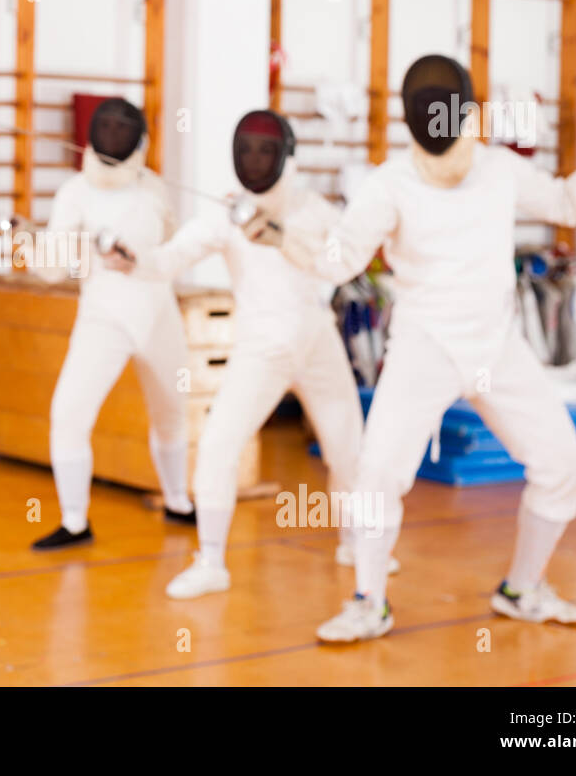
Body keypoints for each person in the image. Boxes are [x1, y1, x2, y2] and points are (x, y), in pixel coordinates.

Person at [267, 55, 576, 642]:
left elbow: (564, 204)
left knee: (564, 465)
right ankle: (368, 601)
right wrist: (283, 237)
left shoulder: (499, 169)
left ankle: (522, 588)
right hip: (423, 348)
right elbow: (339, 261)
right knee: (376, 472)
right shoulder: (389, 185)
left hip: (497, 346)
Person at [106, 109, 389, 598]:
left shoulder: (314, 211)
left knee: (349, 449)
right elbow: (172, 258)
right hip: (261, 348)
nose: (255, 159)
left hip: (318, 340)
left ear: (286, 155)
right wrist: (136, 260)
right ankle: (211, 560)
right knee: (217, 443)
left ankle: (355, 543)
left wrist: (282, 235)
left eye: (265, 149)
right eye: (247, 149)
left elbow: (340, 267)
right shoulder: (223, 213)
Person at [29, 99, 195, 550]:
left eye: (124, 129)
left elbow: (174, 249)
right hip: (103, 319)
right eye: (109, 127)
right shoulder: (74, 192)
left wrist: (136, 258)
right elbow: (52, 269)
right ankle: (75, 522)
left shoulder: (154, 188)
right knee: (68, 414)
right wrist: (47, 248)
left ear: (138, 139)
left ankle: (179, 502)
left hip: (159, 315)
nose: (116, 134)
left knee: (172, 413)